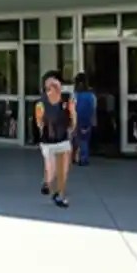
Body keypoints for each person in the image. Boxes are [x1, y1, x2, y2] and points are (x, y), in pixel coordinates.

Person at [35, 71, 76, 208]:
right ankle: (47, 182)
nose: (54, 85)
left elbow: (72, 118)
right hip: (48, 141)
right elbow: (39, 123)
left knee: (63, 170)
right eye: (50, 83)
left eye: (56, 82)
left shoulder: (66, 100)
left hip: (63, 139)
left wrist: (72, 119)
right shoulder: (41, 103)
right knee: (51, 168)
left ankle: (59, 195)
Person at [72, 73, 97, 166]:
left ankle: (75, 157)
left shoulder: (75, 94)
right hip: (87, 119)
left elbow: (72, 107)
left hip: (77, 119)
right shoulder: (91, 95)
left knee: (75, 138)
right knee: (85, 139)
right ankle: (84, 158)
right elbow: (94, 107)